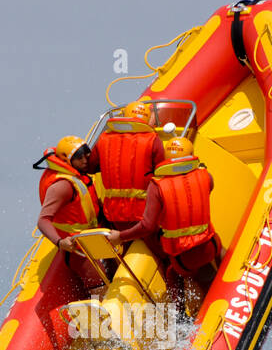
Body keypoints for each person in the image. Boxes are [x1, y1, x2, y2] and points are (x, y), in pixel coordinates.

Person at [113, 136, 220, 306]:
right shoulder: (206, 176)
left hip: (185, 258)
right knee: (215, 255)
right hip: (211, 245)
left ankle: (180, 313)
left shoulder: (157, 186)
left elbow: (147, 226)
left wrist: (120, 236)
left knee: (173, 274)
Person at [36, 135, 110, 295]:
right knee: (99, 286)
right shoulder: (62, 186)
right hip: (77, 247)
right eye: (79, 158)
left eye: (86, 155)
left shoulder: (78, 175)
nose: (85, 160)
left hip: (94, 237)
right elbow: (43, 221)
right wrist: (60, 242)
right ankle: (100, 308)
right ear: (67, 160)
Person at [85, 100, 165, 230]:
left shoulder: (104, 138)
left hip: (113, 214)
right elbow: (162, 174)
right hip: (143, 214)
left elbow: (90, 167)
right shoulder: (153, 139)